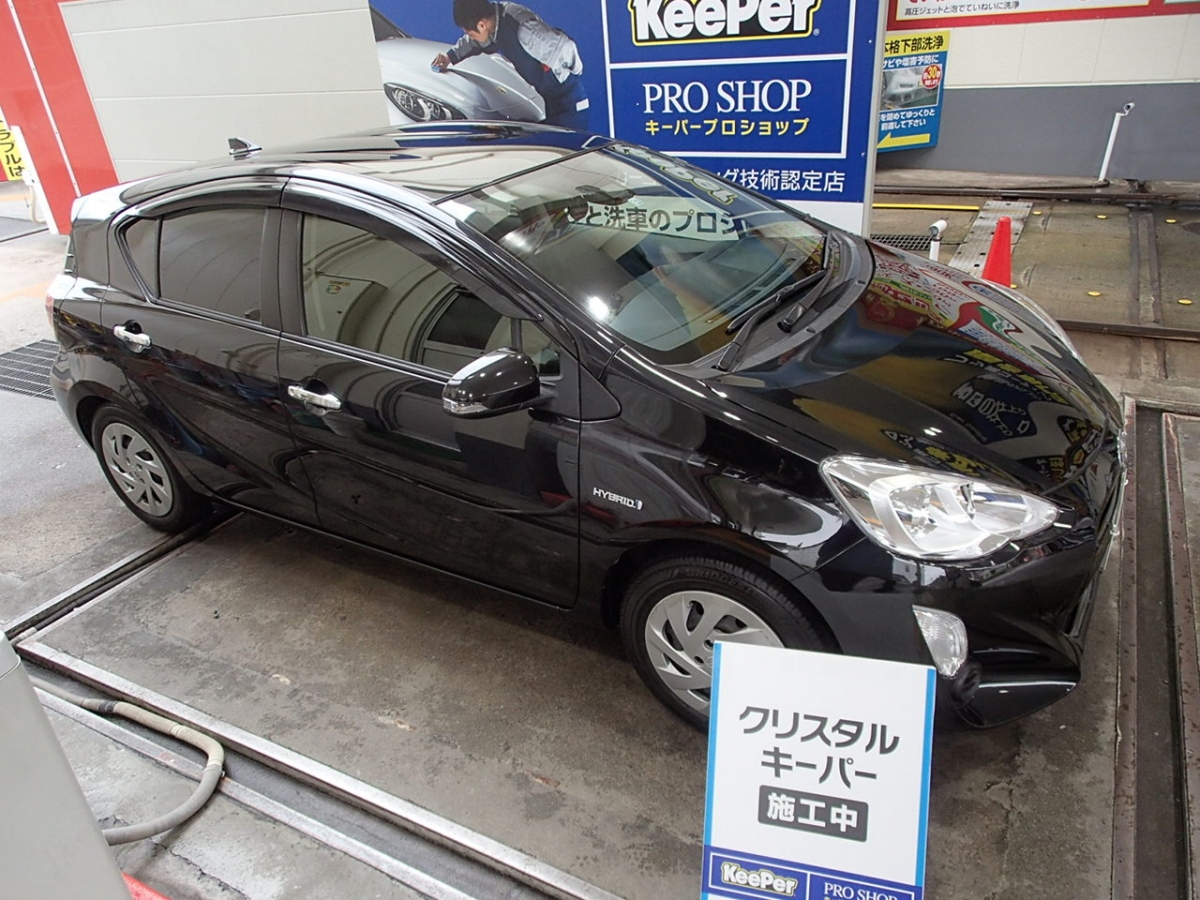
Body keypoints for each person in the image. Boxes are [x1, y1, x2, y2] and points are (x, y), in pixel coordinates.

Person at [431, 0, 589, 130]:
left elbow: (566, 47)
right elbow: (472, 42)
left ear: (481, 25)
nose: (470, 37)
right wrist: (449, 57)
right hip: (551, 102)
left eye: (469, 33)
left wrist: (574, 74)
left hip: (570, 106)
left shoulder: (523, 29)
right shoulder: (494, 22)